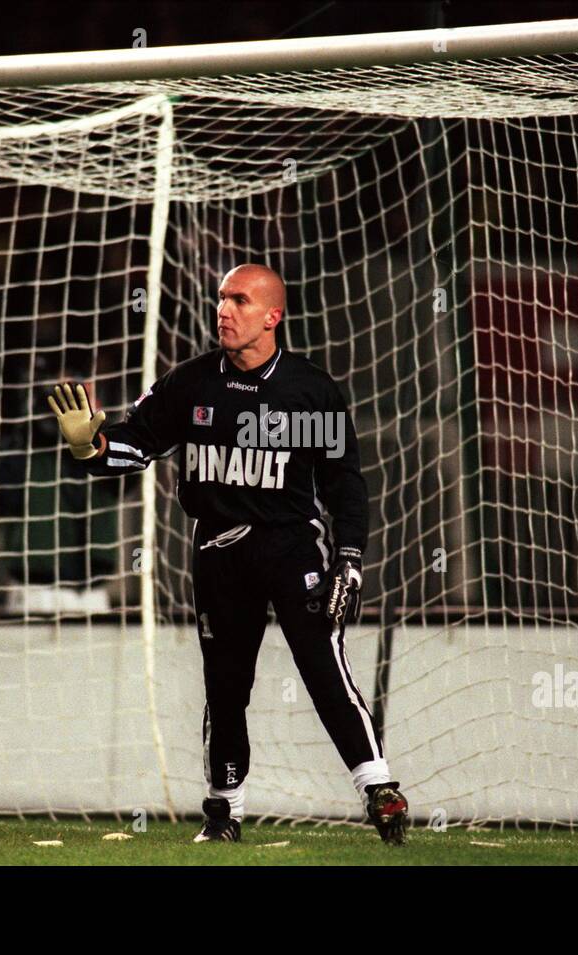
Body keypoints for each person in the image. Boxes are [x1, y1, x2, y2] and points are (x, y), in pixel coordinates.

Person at [47, 263, 409, 845]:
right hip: (219, 550)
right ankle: (224, 813)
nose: (224, 310)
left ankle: (379, 789)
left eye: (239, 300)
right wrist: (90, 445)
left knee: (323, 667)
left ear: (272, 316)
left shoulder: (311, 389)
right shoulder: (190, 382)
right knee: (225, 685)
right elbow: (135, 447)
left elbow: (345, 482)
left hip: (294, 549)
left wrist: (349, 557)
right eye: (221, 299)